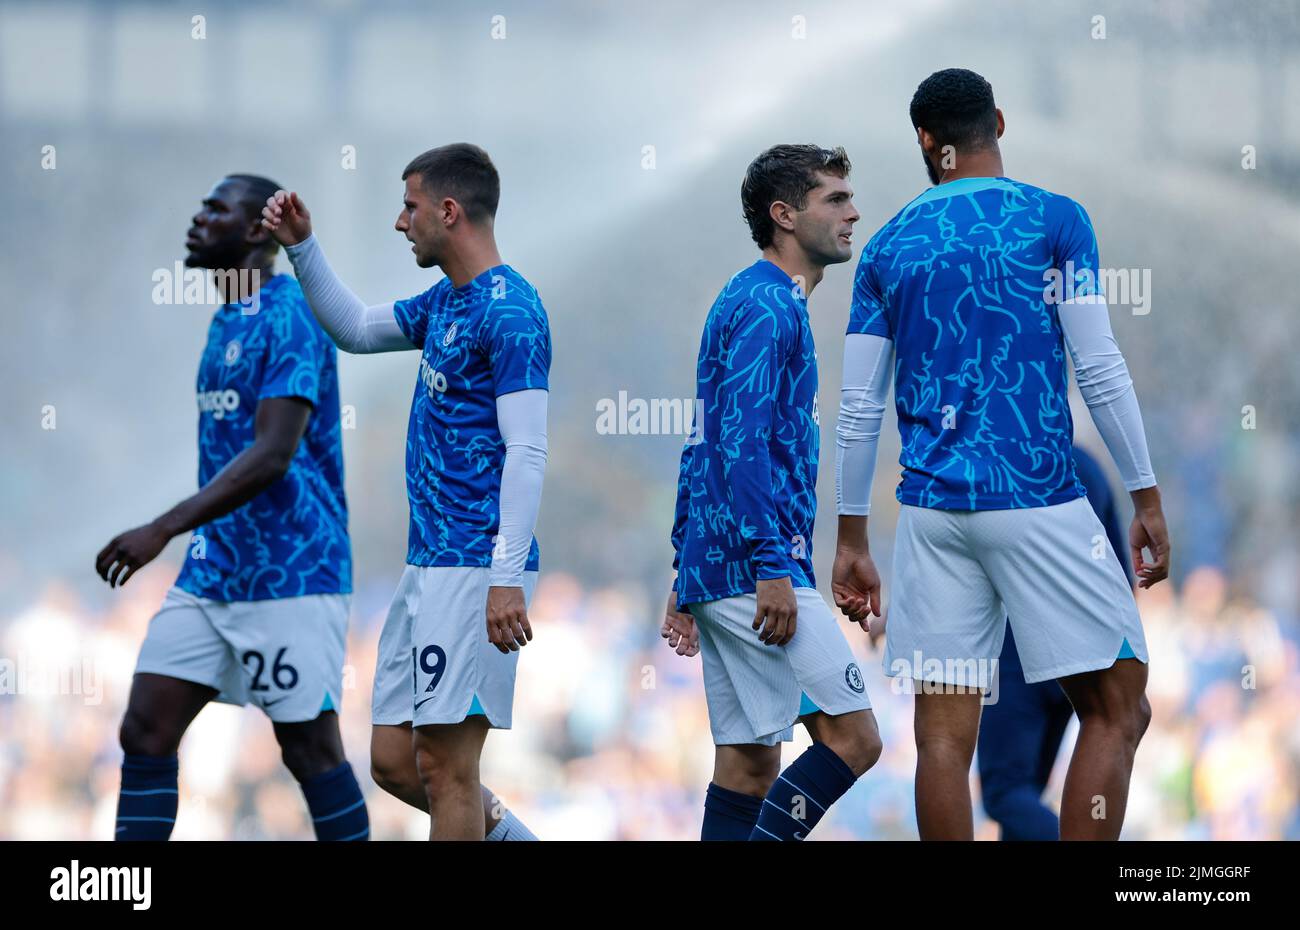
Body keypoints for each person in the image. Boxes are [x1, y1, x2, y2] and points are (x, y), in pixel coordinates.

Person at [832, 68, 1169, 840]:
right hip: (1037, 496)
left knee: (943, 742)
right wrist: (1144, 494)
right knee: (1118, 707)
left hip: (932, 514)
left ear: (926, 140)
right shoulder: (1056, 221)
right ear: (1001, 124)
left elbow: (857, 409)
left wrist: (851, 537)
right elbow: (1099, 366)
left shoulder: (885, 248)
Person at [262, 143, 547, 841]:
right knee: (394, 760)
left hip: (477, 565)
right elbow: (357, 328)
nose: (400, 222)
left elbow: (529, 449)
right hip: (430, 565)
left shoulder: (512, 312)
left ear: (448, 212)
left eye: (410, 206)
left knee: (448, 768)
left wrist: (505, 578)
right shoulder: (448, 303)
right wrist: (303, 247)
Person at [96, 173, 367, 841]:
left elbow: (274, 454)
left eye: (214, 209)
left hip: (291, 571)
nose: (197, 219)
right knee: (146, 727)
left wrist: (161, 527)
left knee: (309, 751)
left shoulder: (290, 314)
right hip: (216, 570)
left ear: (254, 232)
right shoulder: (225, 319)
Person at [664, 144, 882, 842]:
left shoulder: (752, 297)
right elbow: (740, 442)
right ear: (783, 215)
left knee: (750, 765)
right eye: (835, 200)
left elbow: (703, 440)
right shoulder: (768, 307)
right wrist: (767, 566)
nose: (853, 213)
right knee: (855, 738)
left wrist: (684, 564)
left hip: (720, 562)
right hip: (755, 566)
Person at [977, 445, 1134, 840]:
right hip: (1077, 656)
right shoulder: (1089, 468)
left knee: (1005, 794)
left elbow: (969, 560)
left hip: (1016, 651)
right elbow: (1122, 579)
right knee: (1025, 795)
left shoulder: (1000, 459)